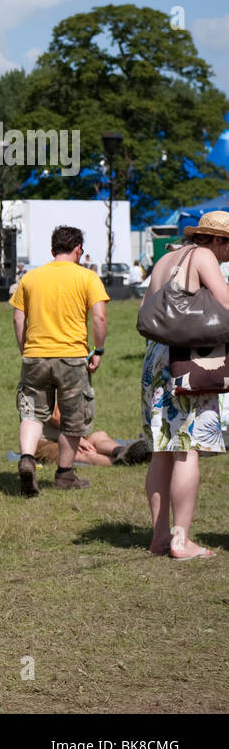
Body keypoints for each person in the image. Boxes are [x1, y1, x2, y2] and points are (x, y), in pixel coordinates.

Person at [139, 212, 229, 559]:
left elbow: (148, 310)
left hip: (155, 359)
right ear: (216, 240)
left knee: (161, 449)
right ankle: (181, 540)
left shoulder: (166, 258)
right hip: (187, 362)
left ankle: (160, 538)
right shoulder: (203, 256)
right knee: (187, 447)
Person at [8, 226, 109, 496]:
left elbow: (19, 318)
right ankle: (65, 475)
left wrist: (24, 348)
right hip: (73, 356)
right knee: (74, 417)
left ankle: (27, 459)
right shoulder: (87, 277)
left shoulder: (30, 278)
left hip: (35, 354)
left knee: (32, 413)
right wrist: (98, 350)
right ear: (77, 248)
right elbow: (99, 317)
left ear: (53, 250)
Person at [32, 403, 150, 468]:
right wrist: (76, 437)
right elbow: (55, 416)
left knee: (100, 435)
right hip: (46, 441)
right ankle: (122, 462)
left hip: (71, 435)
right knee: (81, 453)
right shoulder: (45, 380)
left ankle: (124, 451)